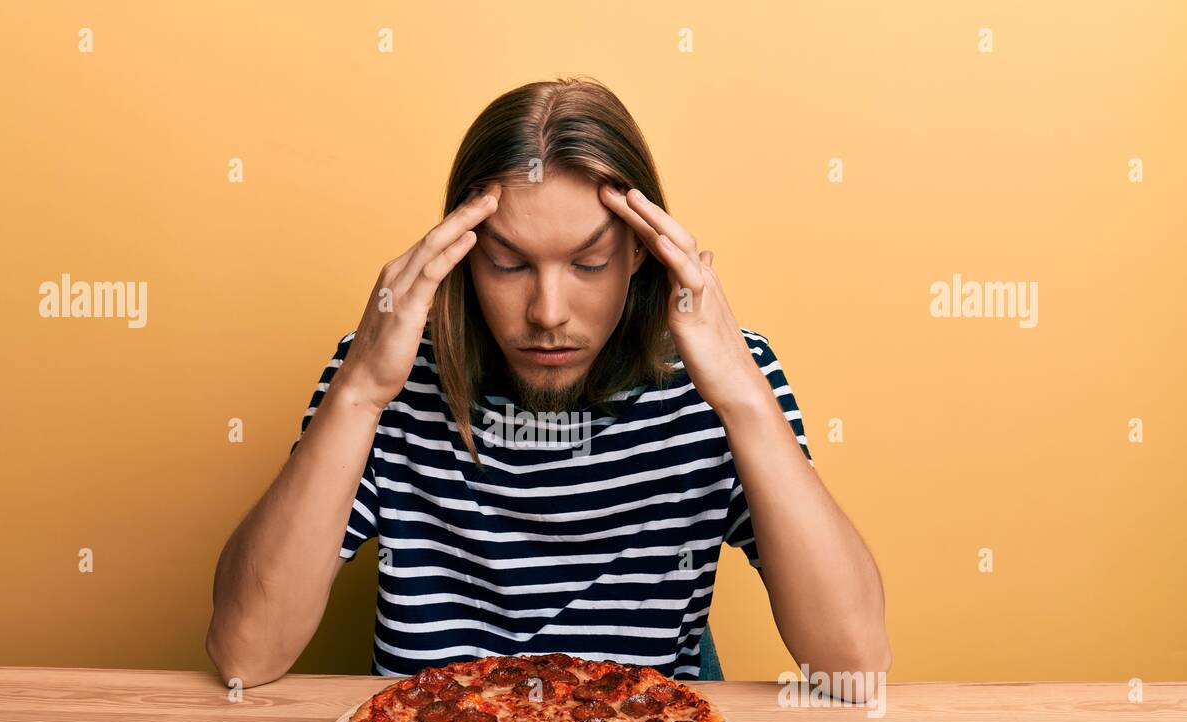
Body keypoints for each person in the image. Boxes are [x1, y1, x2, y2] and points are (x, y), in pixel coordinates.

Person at [206, 77, 891, 685]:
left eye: (589, 264)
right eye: (508, 264)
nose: (549, 313)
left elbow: (853, 665)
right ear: (461, 257)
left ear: (641, 257)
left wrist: (743, 400)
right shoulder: (382, 370)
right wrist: (358, 392)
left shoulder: (725, 376)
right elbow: (244, 655)